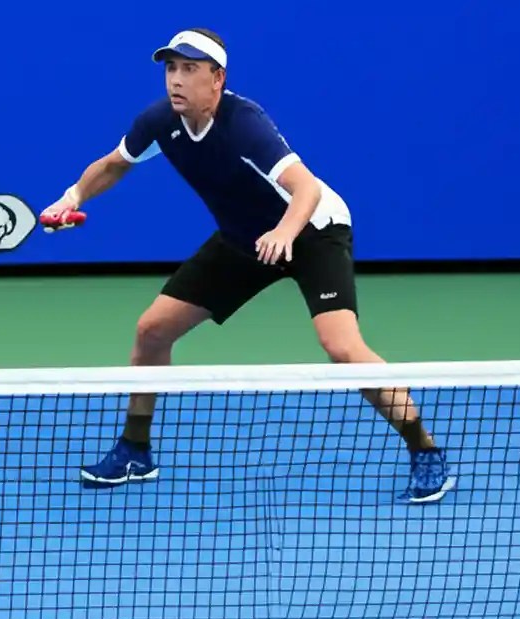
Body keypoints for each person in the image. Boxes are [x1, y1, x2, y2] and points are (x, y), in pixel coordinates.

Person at [38, 29, 453, 503]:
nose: (176, 79)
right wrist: (69, 198)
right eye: (171, 68)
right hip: (245, 240)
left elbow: (307, 189)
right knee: (152, 330)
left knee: (341, 347)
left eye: (189, 69)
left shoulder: (244, 124)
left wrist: (284, 233)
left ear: (217, 79)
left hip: (313, 231)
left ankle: (424, 448)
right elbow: (114, 163)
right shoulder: (160, 122)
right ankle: (135, 448)